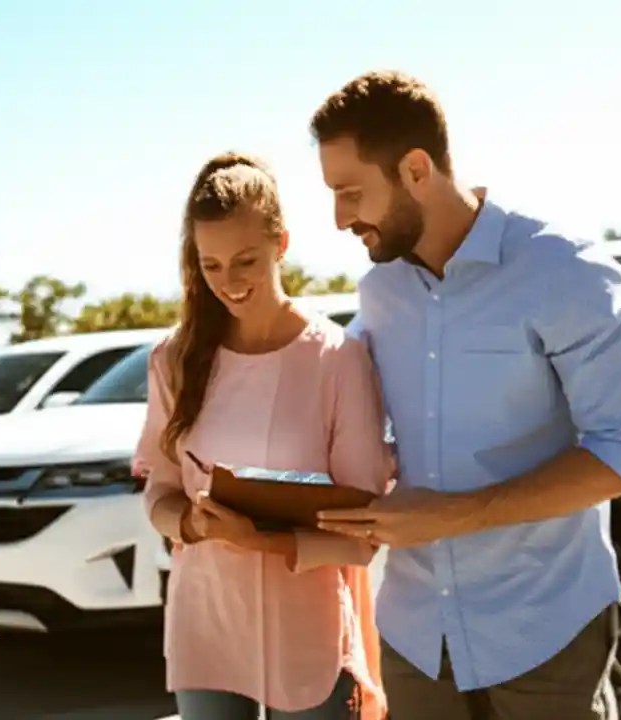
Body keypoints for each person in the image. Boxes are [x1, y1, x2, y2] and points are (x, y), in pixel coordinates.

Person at [310, 71, 621, 720]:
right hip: (416, 640)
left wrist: (455, 514)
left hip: (546, 629)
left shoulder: (564, 271)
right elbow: (336, 413)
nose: (338, 219)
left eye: (351, 192)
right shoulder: (378, 295)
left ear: (416, 169)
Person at [135, 151, 393, 720]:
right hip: (205, 626)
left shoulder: (339, 358)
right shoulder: (173, 361)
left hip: (310, 638)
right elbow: (159, 488)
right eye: (212, 265)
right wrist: (188, 522)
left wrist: (259, 539)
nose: (229, 282)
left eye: (246, 260)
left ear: (281, 244)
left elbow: (364, 529)